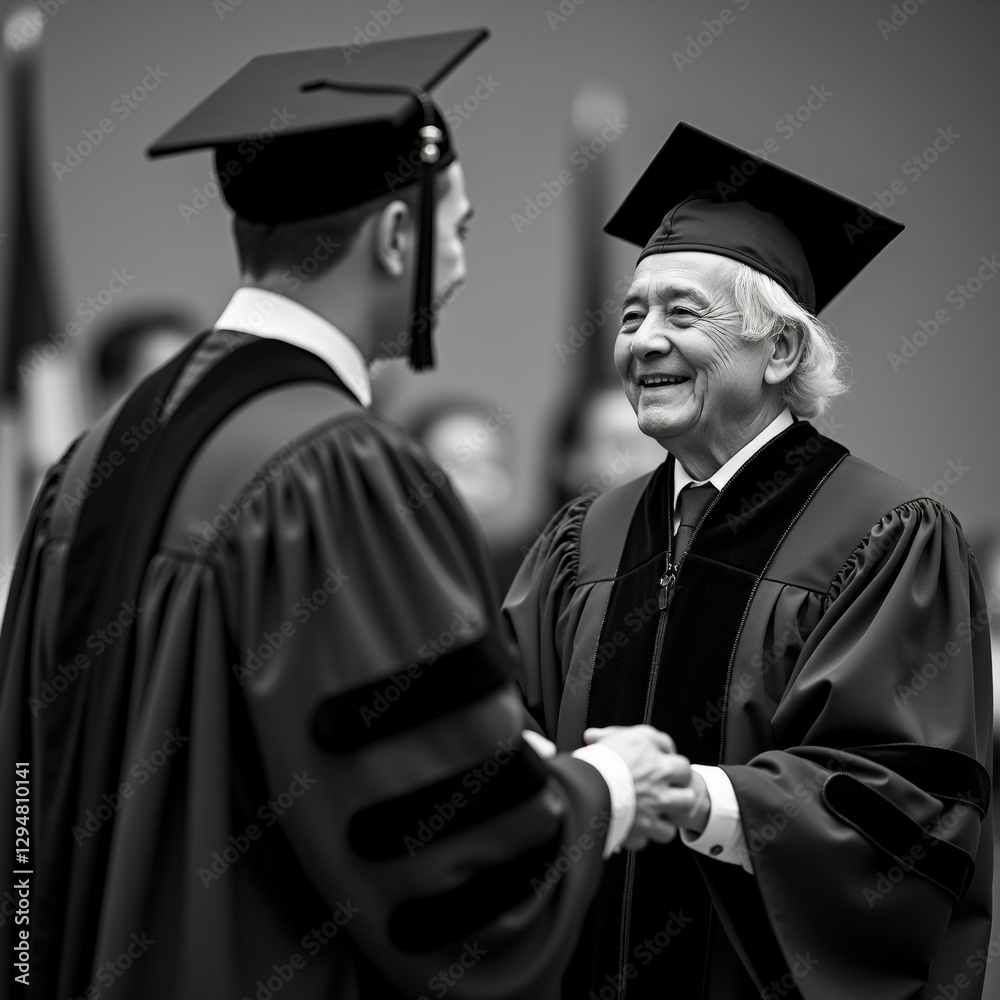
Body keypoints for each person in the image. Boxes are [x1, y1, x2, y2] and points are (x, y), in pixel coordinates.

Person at [0, 31, 686, 1000]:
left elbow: (29, 788)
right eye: (460, 227)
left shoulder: (96, 454)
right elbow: (440, 854)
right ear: (397, 238)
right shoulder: (334, 468)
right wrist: (604, 787)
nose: (457, 262)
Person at [504, 122, 993, 999]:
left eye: (681, 313)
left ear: (782, 349)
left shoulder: (885, 538)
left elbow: (909, 803)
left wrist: (703, 801)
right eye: (630, 316)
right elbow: (507, 728)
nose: (642, 340)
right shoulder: (584, 541)